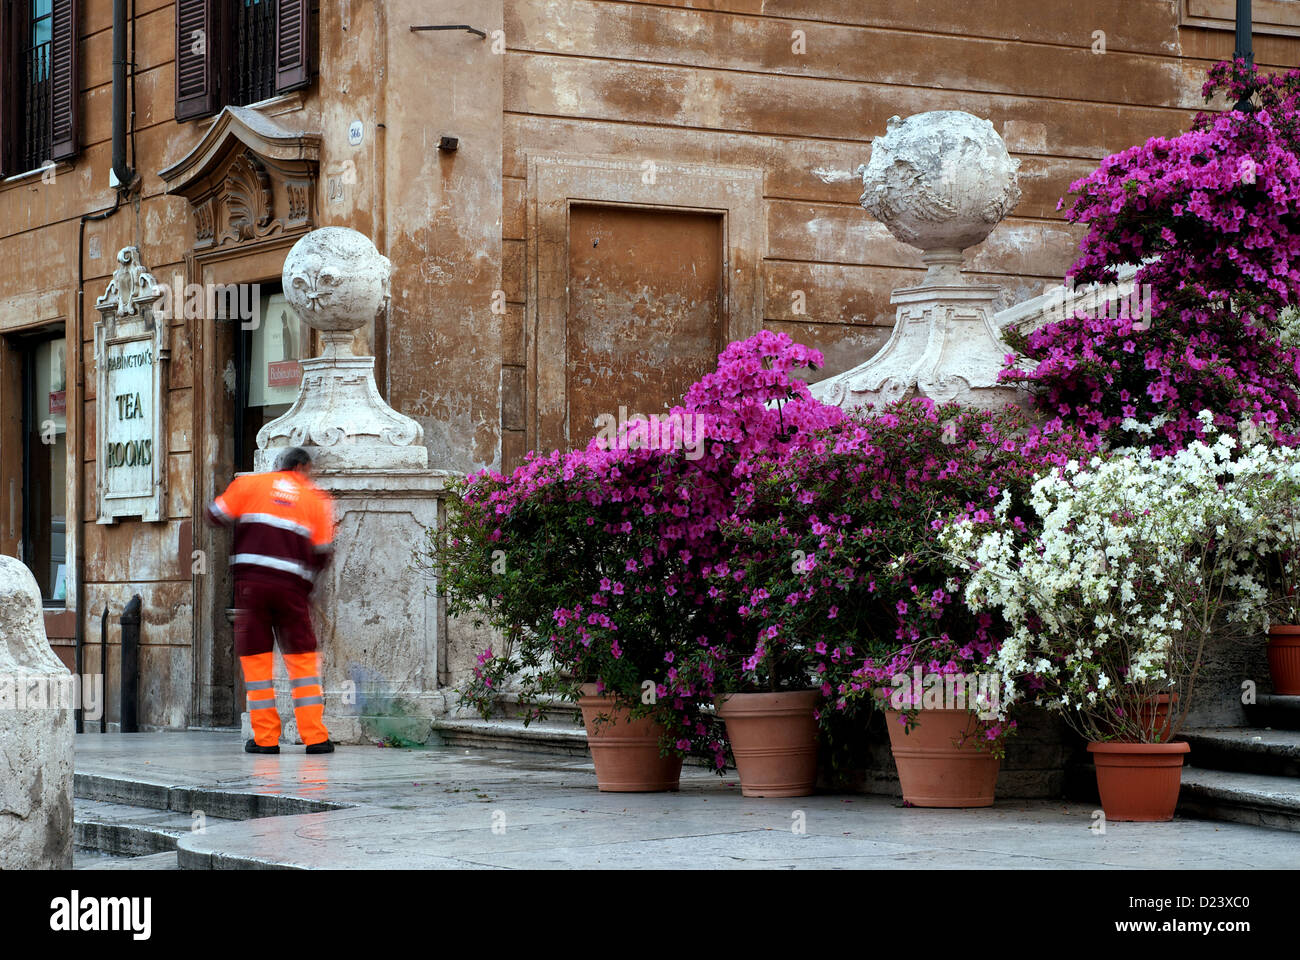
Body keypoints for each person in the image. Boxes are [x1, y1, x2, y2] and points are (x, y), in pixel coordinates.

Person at [206, 447, 336, 754]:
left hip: (251, 587)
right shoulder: (316, 500)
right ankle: (315, 738)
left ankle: (265, 739)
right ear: (303, 467)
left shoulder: (250, 485)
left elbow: (214, 515)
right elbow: (323, 553)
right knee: (302, 659)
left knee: (257, 660)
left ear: (279, 466)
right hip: (292, 589)